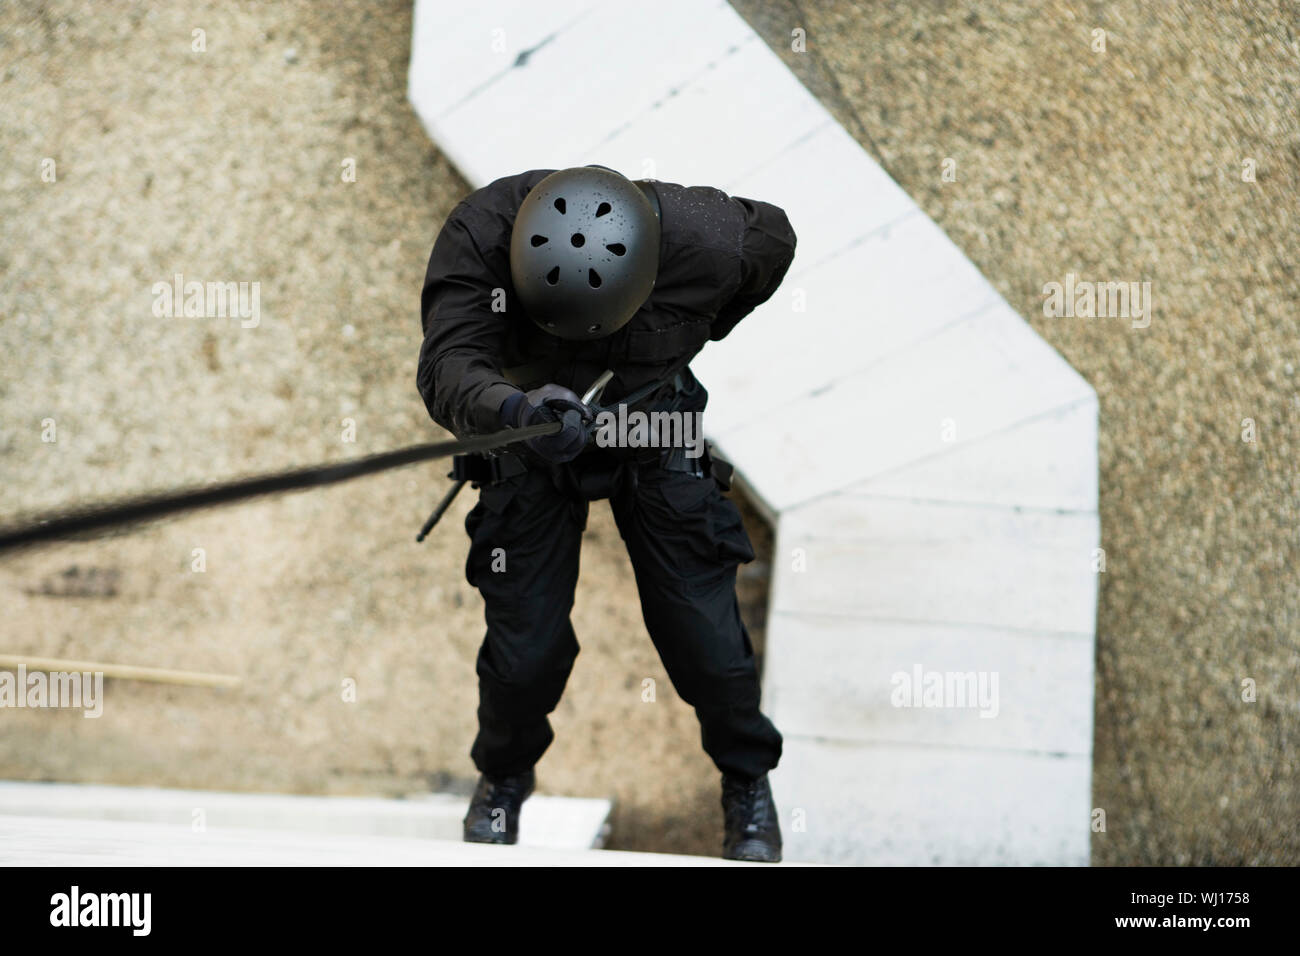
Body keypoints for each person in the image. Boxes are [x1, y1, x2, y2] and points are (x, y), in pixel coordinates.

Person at [416, 165, 796, 861]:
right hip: (532, 431)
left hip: (652, 428)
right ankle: (503, 777)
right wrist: (516, 410)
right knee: (525, 647)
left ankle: (747, 780)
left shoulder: (709, 238)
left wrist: (698, 331)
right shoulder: (478, 235)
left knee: (702, 633)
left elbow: (776, 242)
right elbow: (446, 366)